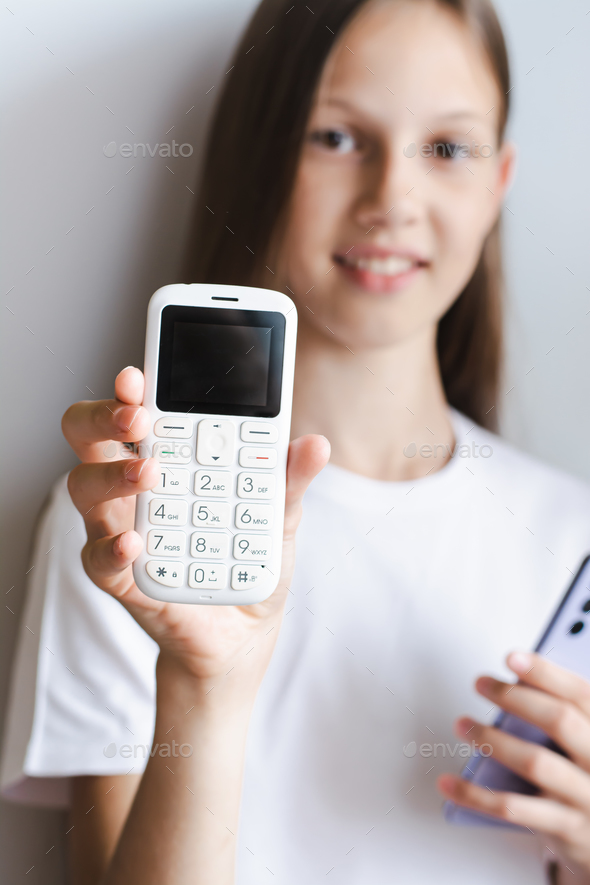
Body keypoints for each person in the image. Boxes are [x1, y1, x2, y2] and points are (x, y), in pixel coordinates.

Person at [3, 0, 590, 882]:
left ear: (498, 182)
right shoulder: (126, 516)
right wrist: (205, 685)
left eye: (447, 147)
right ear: (261, 157)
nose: (393, 196)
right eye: (335, 137)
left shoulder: (571, 533)